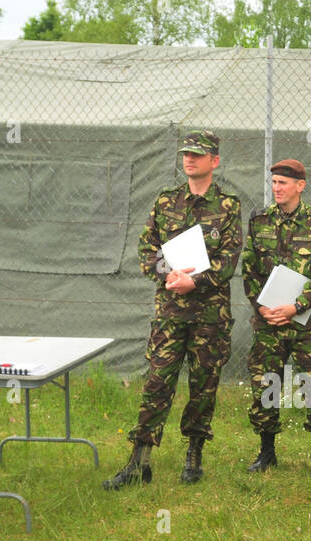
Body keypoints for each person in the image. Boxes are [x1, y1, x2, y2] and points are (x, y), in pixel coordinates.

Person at [104, 130, 242, 489]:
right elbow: (146, 248)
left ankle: (194, 455)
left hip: (209, 315)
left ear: (215, 161)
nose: (189, 159)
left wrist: (195, 282)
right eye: (186, 154)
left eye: (198, 154)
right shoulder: (165, 202)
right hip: (170, 314)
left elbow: (229, 260)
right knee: (156, 383)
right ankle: (139, 461)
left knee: (203, 385)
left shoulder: (228, 205)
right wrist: (168, 274)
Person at [240, 159, 311, 477]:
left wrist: (297, 306)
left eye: (283, 183)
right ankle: (266, 450)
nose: (277, 188)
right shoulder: (259, 220)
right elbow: (250, 267)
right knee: (265, 384)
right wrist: (262, 307)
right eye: (274, 182)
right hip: (269, 323)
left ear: (300, 185)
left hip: (308, 324)